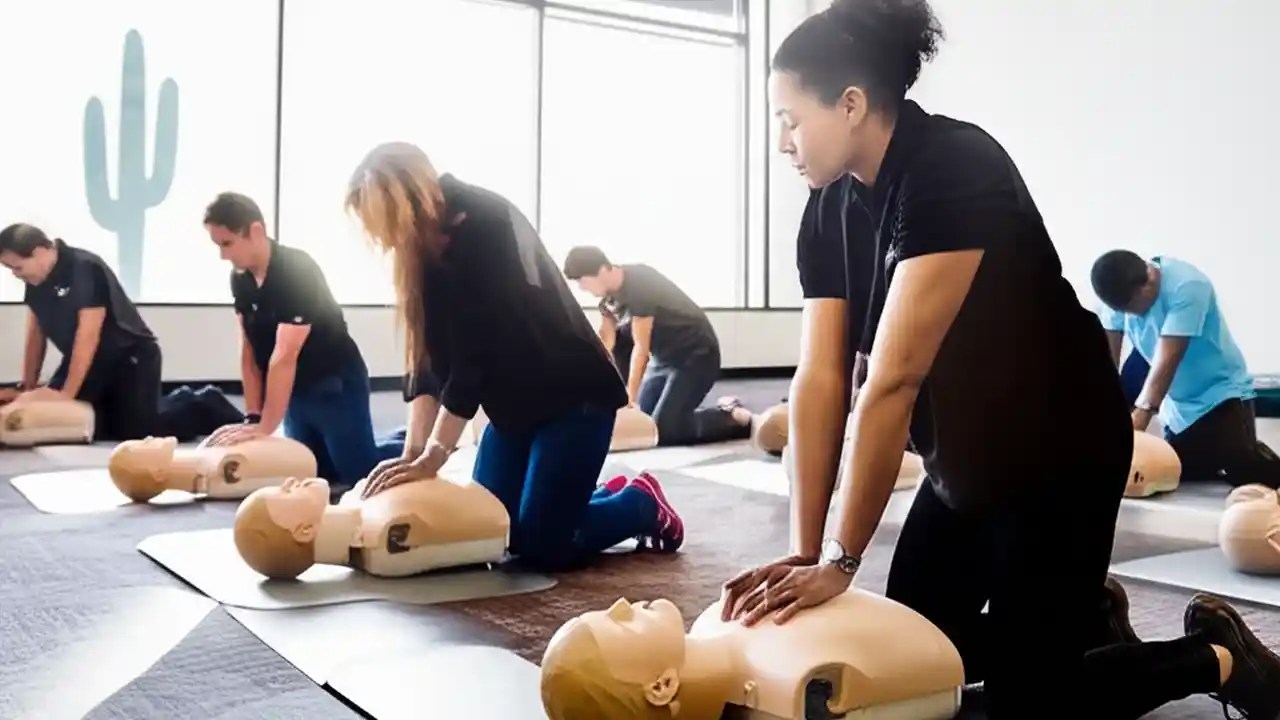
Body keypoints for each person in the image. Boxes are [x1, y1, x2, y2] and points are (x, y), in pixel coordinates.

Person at [717, 2, 1280, 719]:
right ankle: (1079, 620)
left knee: (1025, 703)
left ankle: (1219, 655)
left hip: (1059, 454)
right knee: (917, 653)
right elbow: (823, 379)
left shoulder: (952, 165)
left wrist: (842, 560)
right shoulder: (826, 213)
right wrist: (805, 554)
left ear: (851, 104)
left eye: (790, 118)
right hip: (965, 462)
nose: (781, 141)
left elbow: (891, 382)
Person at [342, 143, 683, 570]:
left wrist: (435, 455)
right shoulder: (422, 252)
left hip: (574, 397)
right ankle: (588, 496)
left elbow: (474, 357)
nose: (391, 246)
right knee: (495, 531)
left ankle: (640, 503)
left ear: (411, 205)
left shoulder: (486, 222)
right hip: (514, 410)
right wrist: (411, 454)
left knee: (541, 544)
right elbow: (426, 363)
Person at [201, 192, 401, 491]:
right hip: (296, 389)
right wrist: (252, 417)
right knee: (313, 470)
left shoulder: (296, 270)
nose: (223, 256)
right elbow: (250, 350)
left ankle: (411, 445)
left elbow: (285, 354)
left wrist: (266, 427)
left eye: (227, 244)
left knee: (358, 473)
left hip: (334, 383)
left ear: (255, 231)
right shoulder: (240, 278)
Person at [1092, 249, 1280, 489]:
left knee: (1242, 467)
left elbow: (1168, 358)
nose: (1129, 317)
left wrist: (1138, 421)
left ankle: (1248, 454)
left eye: (1131, 309)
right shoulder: (1117, 297)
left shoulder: (1188, 287)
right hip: (1178, 403)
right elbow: (1106, 360)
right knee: (1173, 471)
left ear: (1149, 283)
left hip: (1220, 392)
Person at [562, 246, 751, 446]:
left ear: (601, 270)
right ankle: (696, 412)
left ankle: (731, 415)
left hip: (696, 356)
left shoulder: (639, 284)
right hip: (663, 360)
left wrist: (629, 400)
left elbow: (641, 350)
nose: (581, 288)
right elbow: (606, 343)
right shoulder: (607, 299)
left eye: (582, 281)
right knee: (646, 424)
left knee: (665, 430)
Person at [0, 224, 164, 440]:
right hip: (88, 360)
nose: (14, 274)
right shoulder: (35, 279)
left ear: (39, 253)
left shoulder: (84, 268)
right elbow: (36, 334)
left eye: (17, 267)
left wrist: (67, 395)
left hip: (128, 357)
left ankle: (204, 403)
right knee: (65, 419)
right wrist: (27, 386)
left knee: (133, 432)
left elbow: (88, 335)